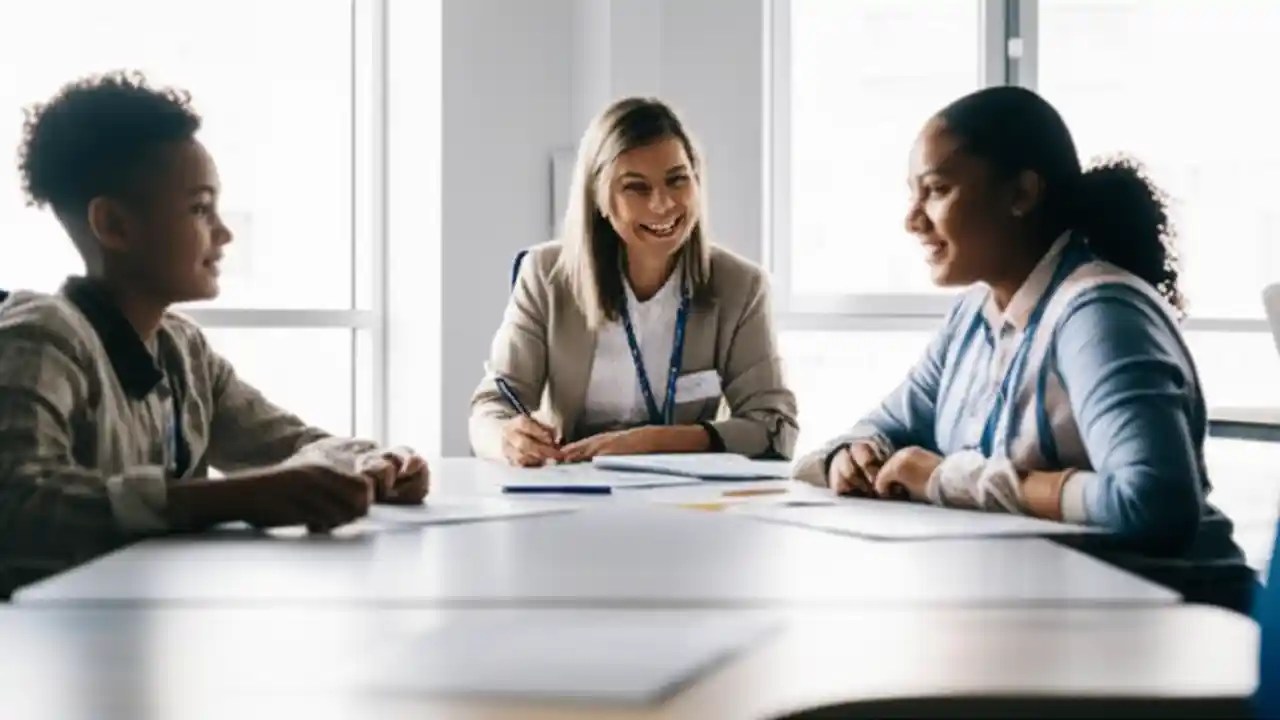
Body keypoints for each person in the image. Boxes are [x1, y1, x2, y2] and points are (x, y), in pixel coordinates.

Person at [793, 86, 1253, 611]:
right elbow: (887, 425)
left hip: (1179, 629)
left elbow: (1152, 504)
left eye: (937, 190)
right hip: (1056, 615)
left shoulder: (1098, 314)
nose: (912, 220)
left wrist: (949, 479)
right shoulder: (974, 314)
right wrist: (851, 455)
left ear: (1022, 194)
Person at [0, 71, 429, 598]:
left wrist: (376, 466)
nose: (223, 233)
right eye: (200, 208)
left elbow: (292, 446)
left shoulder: (182, 350)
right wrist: (223, 501)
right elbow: (16, 502)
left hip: (138, 628)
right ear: (113, 225)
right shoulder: (41, 337)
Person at [469, 97, 797, 466]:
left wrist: (654, 441)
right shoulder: (545, 275)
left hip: (686, 501)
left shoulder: (741, 286)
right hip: (570, 490)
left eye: (677, 180)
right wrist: (506, 438)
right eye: (636, 188)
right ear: (599, 200)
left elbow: (776, 427)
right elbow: (490, 408)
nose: (662, 204)